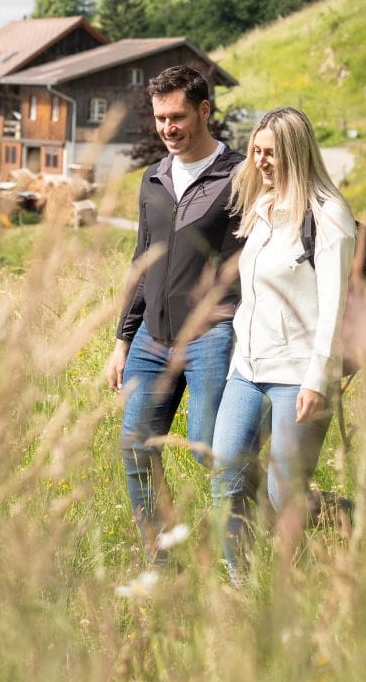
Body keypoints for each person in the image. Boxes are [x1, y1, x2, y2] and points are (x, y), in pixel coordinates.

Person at [209, 105, 356, 582]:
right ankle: (242, 582)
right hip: (247, 372)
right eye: (255, 152)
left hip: (299, 376)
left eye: (270, 152)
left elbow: (333, 306)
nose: (260, 162)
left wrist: (318, 378)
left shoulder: (329, 215)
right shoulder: (262, 208)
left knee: (281, 493)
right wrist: (235, 359)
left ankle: (329, 547)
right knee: (225, 478)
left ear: (295, 152)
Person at [104, 64, 246, 554]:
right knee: (136, 448)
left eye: (178, 116)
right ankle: (160, 562)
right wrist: (123, 339)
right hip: (152, 339)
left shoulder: (241, 176)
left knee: (215, 453)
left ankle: (292, 512)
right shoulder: (154, 179)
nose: (168, 128)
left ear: (204, 110)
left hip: (212, 335)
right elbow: (143, 261)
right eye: (161, 118)